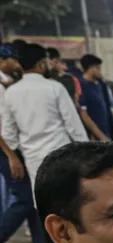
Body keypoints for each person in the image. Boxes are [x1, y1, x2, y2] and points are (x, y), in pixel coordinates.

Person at [1, 42, 88, 192]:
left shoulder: (10, 92)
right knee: (67, 197)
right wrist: (87, 151)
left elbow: (9, 135)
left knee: (43, 202)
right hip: (61, 154)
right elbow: (73, 125)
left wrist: (24, 148)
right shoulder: (55, 88)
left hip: (33, 159)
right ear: (41, 63)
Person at [0, 42, 53, 243]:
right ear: (5, 60)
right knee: (23, 200)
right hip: (7, 152)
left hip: (15, 150)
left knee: (32, 199)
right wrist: (11, 156)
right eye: (15, 60)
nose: (19, 65)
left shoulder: (7, 84)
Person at [78, 55, 113, 140]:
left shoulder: (100, 85)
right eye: (98, 68)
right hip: (95, 138)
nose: (100, 71)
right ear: (91, 69)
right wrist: (101, 136)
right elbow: (84, 115)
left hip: (107, 134)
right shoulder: (81, 86)